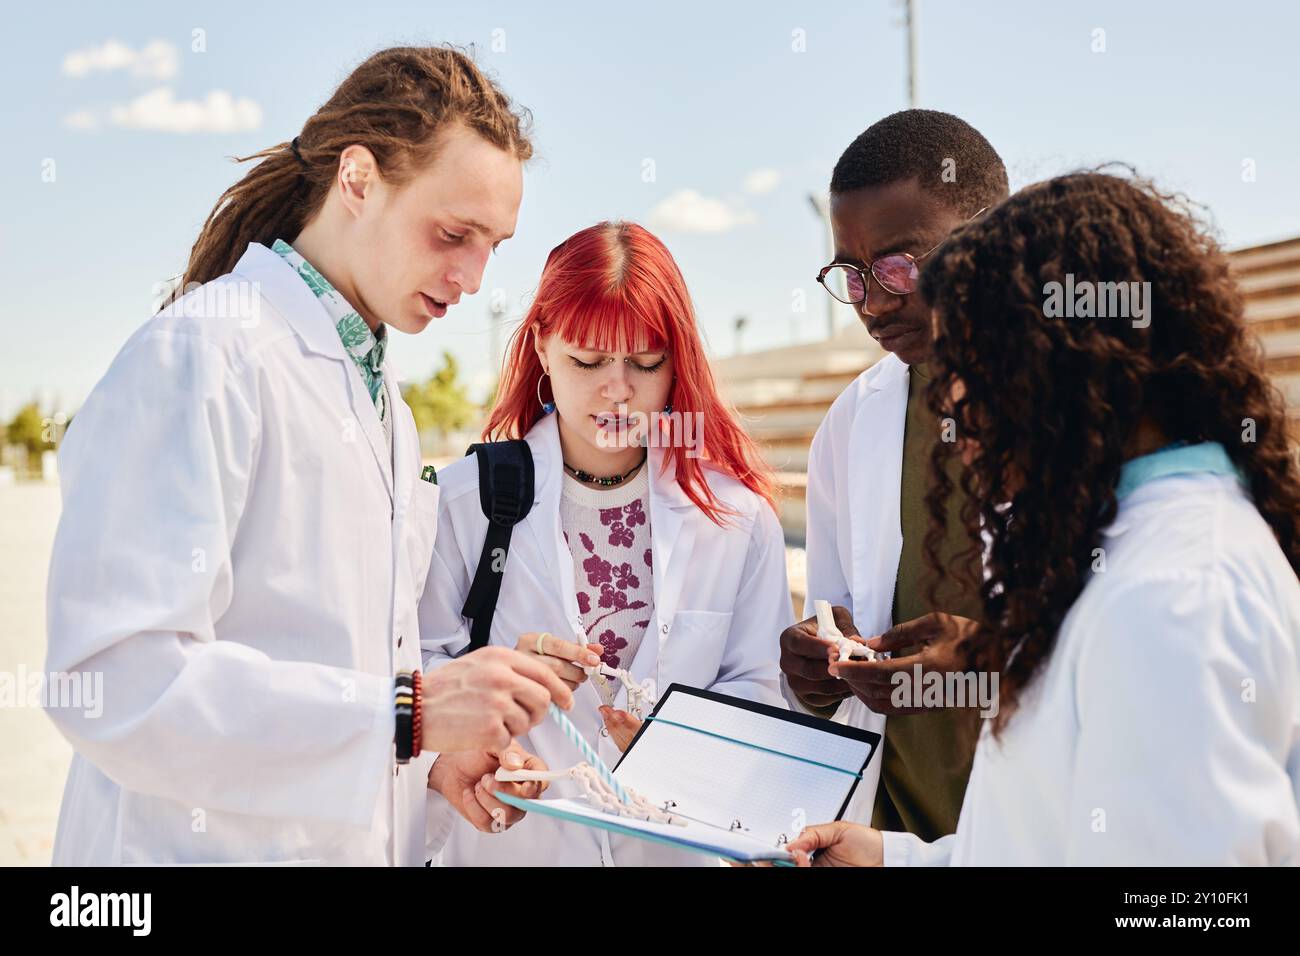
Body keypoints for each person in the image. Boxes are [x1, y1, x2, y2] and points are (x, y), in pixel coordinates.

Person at [44, 45, 572, 867]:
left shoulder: (384, 404)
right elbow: (113, 681)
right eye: (453, 233)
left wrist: (427, 762)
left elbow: (341, 664)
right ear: (357, 180)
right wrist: (409, 715)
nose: (472, 277)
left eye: (494, 246)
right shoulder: (203, 354)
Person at [789, 171, 1300, 865]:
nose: (956, 419)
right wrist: (896, 861)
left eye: (970, 371)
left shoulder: (1174, 597)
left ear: (1065, 366)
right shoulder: (1119, 551)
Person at [420, 221, 794, 865]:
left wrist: (676, 745)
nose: (617, 389)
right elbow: (414, 672)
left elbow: (760, 693)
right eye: (587, 362)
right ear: (540, 346)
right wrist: (475, 748)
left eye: (645, 363)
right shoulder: (462, 502)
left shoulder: (735, 516)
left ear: (678, 360)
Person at [779, 110, 1010, 837]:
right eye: (852, 275)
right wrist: (815, 674)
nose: (873, 305)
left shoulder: (1089, 410)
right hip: (894, 836)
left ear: (991, 242)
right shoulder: (853, 422)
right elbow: (839, 624)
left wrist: (986, 668)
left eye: (901, 267)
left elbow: (1133, 667)